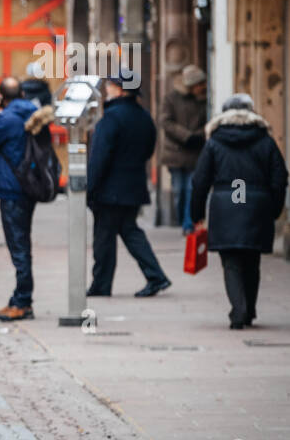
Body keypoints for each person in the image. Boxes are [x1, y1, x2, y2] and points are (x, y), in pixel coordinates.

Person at [190, 94, 288, 329]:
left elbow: (200, 180)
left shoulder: (214, 142)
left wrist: (196, 213)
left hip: (226, 205)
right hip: (256, 206)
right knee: (252, 260)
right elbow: (279, 178)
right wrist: (275, 208)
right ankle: (249, 309)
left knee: (231, 261)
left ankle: (239, 309)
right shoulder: (265, 140)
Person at [86, 69, 170, 298]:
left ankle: (101, 285)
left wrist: (89, 188)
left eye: (111, 86)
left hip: (109, 189)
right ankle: (156, 276)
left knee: (104, 239)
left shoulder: (111, 119)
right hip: (133, 185)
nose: (107, 90)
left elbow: (99, 157)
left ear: (121, 90)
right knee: (130, 231)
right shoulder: (144, 117)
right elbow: (149, 149)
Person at [0, 77, 48, 320]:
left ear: (1, 97)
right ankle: (21, 298)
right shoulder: (32, 113)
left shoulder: (6, 120)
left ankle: (22, 302)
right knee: (22, 245)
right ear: (22, 94)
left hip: (12, 189)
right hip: (29, 185)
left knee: (19, 247)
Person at [160, 65, 208, 235]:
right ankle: (183, 220)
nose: (202, 87)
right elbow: (165, 122)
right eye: (199, 84)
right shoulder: (171, 98)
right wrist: (186, 135)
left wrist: (198, 135)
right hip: (176, 152)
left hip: (196, 152)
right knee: (179, 191)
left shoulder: (204, 100)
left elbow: (209, 123)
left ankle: (188, 225)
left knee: (191, 189)